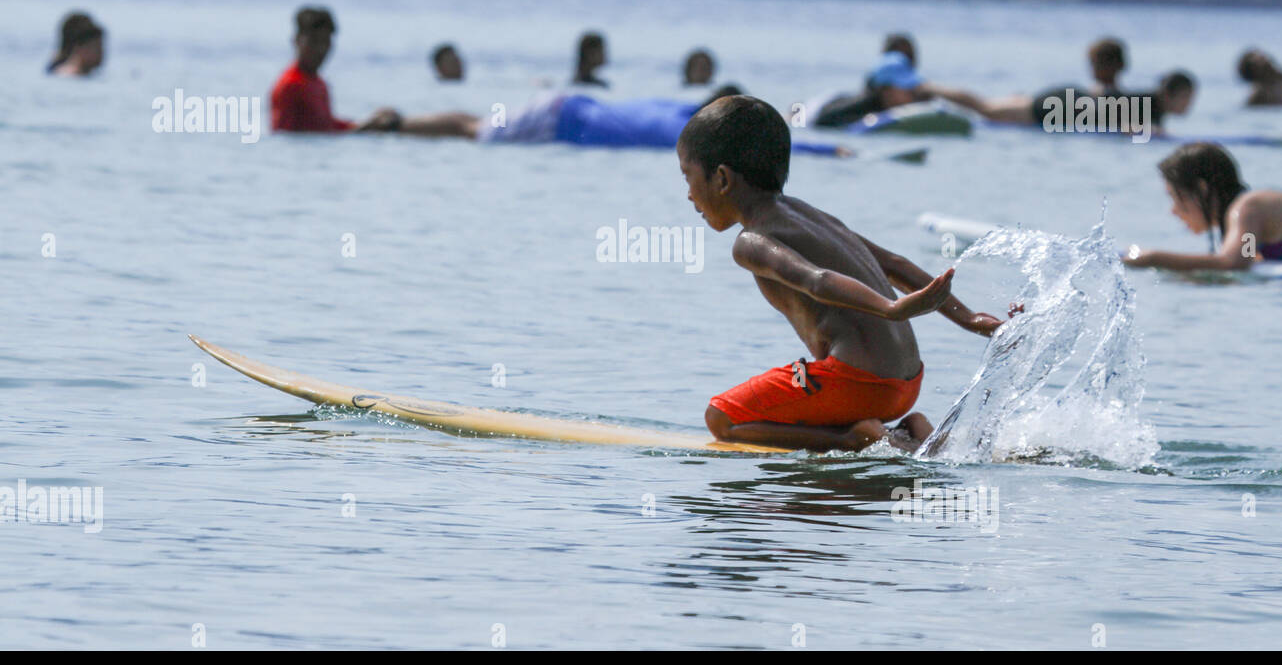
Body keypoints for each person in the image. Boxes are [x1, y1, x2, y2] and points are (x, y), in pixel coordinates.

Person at [676, 95, 1006, 453]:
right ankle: (911, 429)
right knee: (804, 383)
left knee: (722, 418)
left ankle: (852, 437)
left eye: (688, 176)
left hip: (857, 384)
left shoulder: (751, 241)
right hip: (907, 383)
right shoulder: (807, 213)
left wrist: (890, 308)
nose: (689, 195)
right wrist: (970, 319)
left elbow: (816, 281)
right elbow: (894, 263)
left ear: (722, 178)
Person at [395, 85, 849, 156]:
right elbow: (748, 145)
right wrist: (825, 149)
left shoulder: (681, 111)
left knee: (471, 124)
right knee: (472, 131)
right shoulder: (683, 131)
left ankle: (400, 123)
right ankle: (396, 125)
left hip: (566, 108)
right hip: (559, 119)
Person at [1123, 142, 1282, 270]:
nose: (1173, 211)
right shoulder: (1250, 219)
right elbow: (1248, 255)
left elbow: (1236, 262)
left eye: (1175, 197)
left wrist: (1153, 259)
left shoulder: (1248, 209)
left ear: (1202, 188)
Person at [923, 69, 1196, 137]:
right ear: (1175, 94)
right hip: (1063, 107)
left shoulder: (1150, 103)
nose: (1190, 106)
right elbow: (1119, 115)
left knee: (991, 107)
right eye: (1188, 99)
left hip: (1067, 102)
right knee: (986, 109)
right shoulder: (1148, 104)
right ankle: (927, 89)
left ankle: (930, 95)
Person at [270, 7, 398, 133]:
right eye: (314, 42)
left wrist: (369, 123)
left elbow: (327, 126)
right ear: (297, 40)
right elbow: (284, 137)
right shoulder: (290, 85)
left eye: (325, 42)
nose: (321, 50)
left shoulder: (318, 83)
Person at [811, 52, 926, 128]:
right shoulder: (862, 105)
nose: (912, 93)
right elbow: (821, 120)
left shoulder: (889, 105)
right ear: (887, 91)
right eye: (906, 88)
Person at [47, 12, 105, 76]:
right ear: (80, 49)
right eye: (97, 47)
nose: (102, 52)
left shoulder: (55, 66)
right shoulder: (70, 75)